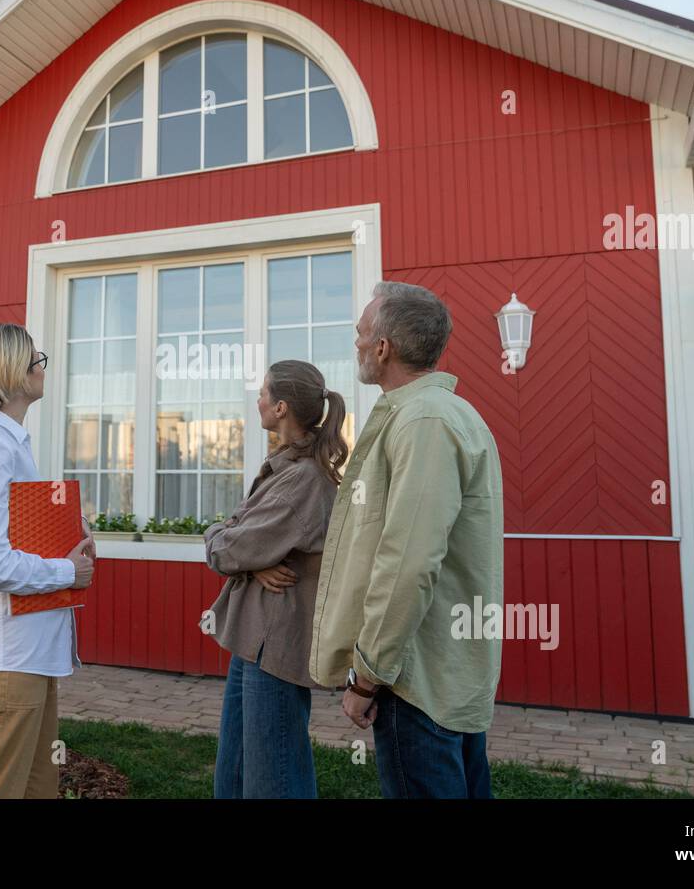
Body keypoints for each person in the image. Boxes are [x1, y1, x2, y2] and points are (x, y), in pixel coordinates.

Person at [310, 281, 504, 799]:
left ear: (383, 347)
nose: (354, 343)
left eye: (360, 333)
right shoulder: (435, 416)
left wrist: (367, 676)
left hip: (414, 682)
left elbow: (409, 562)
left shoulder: (423, 421)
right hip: (438, 676)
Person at [0, 322, 95, 798]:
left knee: (32, 791)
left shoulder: (4, 444)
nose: (41, 368)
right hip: (4, 659)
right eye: (35, 360)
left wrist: (69, 535)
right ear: (13, 373)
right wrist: (68, 571)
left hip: (25, 655)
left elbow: (9, 539)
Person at [204, 360, 348, 798]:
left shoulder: (302, 481)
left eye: (264, 392)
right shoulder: (287, 467)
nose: (259, 400)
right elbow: (241, 538)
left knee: (274, 780)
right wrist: (251, 557)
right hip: (256, 642)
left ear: (282, 407)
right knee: (235, 775)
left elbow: (227, 546)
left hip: (275, 650)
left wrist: (234, 547)